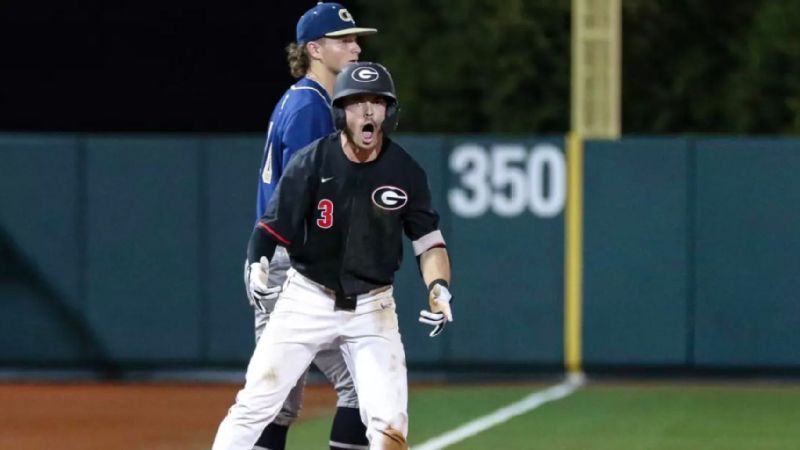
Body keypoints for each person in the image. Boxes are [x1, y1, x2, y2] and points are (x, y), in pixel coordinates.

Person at [213, 62, 454, 450]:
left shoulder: (405, 170)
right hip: (307, 296)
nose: (368, 111)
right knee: (254, 405)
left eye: (377, 102)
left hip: (372, 307)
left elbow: (429, 242)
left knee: (390, 425)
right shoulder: (312, 161)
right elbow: (271, 228)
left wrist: (439, 285)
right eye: (357, 103)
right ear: (340, 112)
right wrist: (257, 261)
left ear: (389, 112)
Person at [247, 3, 377, 450]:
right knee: (349, 390)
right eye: (345, 40)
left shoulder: (310, 100)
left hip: (293, 263)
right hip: (296, 266)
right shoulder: (309, 108)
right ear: (315, 49)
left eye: (355, 38)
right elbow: (307, 201)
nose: (356, 46)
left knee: (281, 399)